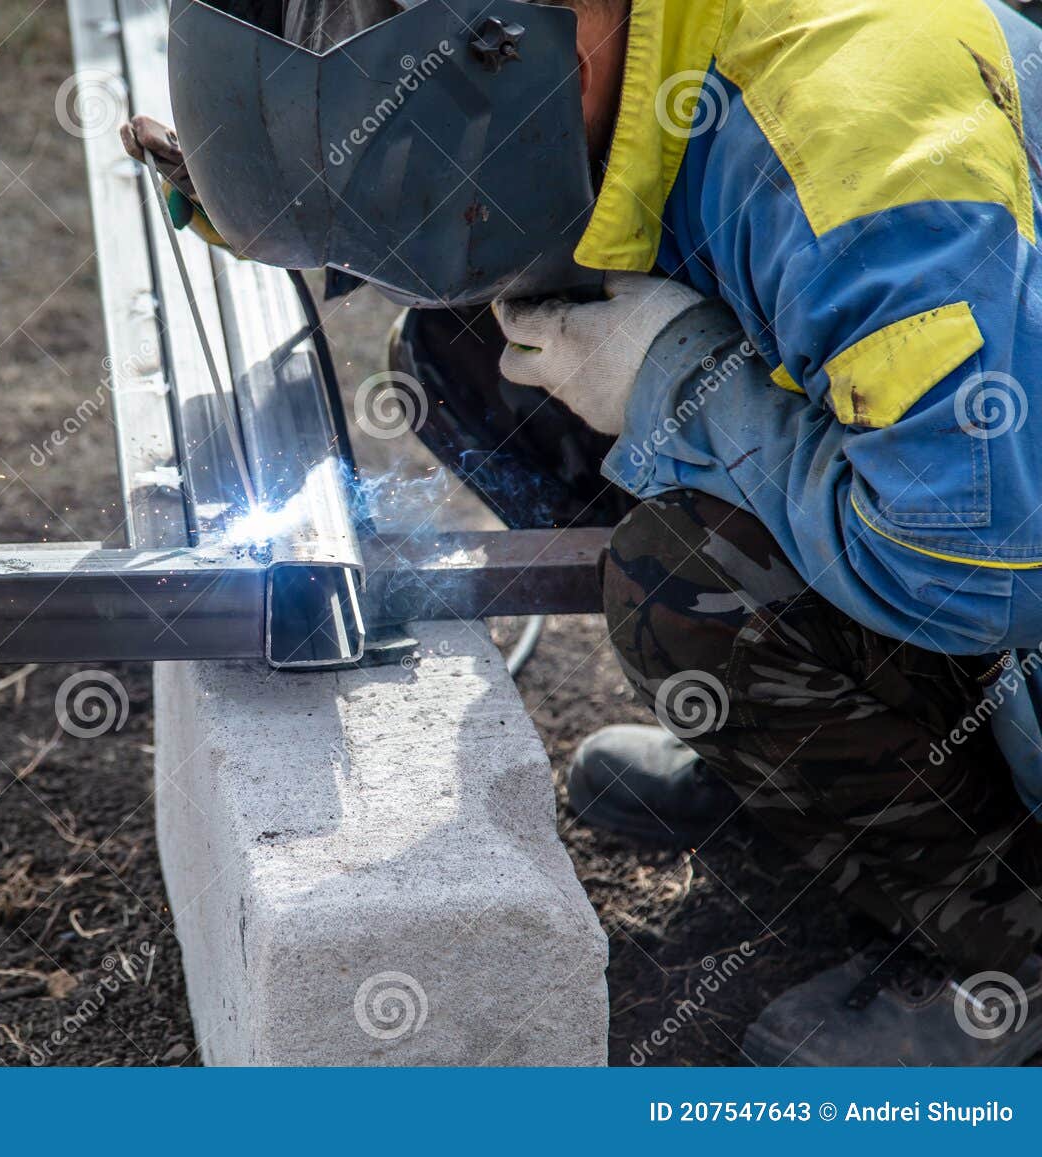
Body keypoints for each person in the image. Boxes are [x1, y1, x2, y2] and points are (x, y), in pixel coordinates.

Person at [126, 0, 1042, 1064]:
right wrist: (290, 180)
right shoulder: (644, 66)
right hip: (965, 499)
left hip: (998, 557)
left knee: (682, 587)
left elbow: (982, 567)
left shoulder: (850, 137)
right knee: (461, 358)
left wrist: (679, 379)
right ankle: (836, 767)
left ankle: (1011, 945)